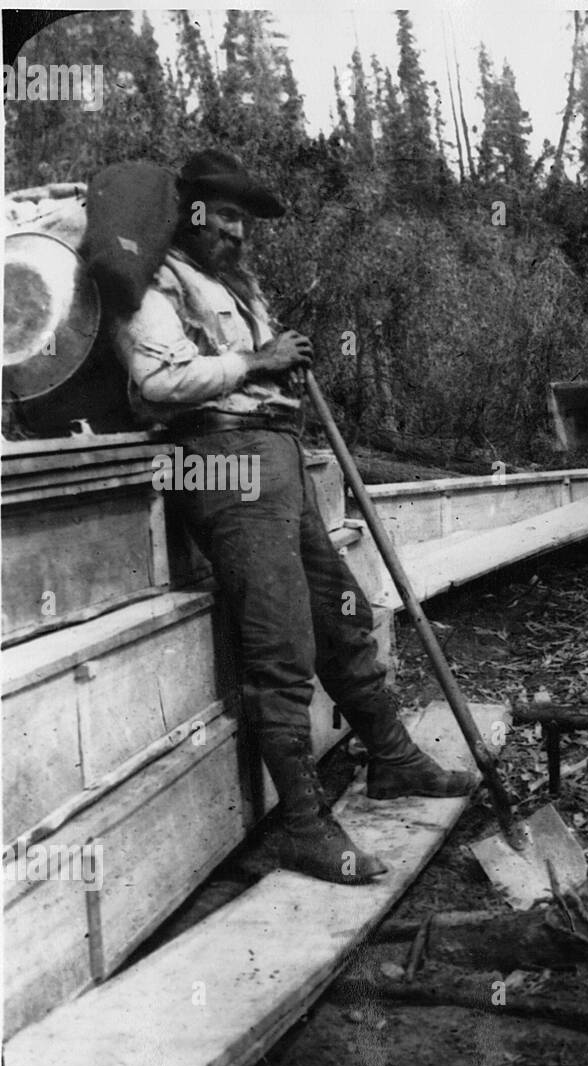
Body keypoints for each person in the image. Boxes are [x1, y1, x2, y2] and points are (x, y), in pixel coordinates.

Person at [112, 149, 474, 886]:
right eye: (230, 218)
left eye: (248, 221)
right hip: (223, 463)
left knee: (340, 616)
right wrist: (258, 363)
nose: (241, 235)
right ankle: (303, 828)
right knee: (280, 643)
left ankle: (393, 760)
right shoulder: (154, 283)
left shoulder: (232, 287)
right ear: (193, 214)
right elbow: (156, 379)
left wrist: (273, 360)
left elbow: (252, 363)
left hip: (275, 460)